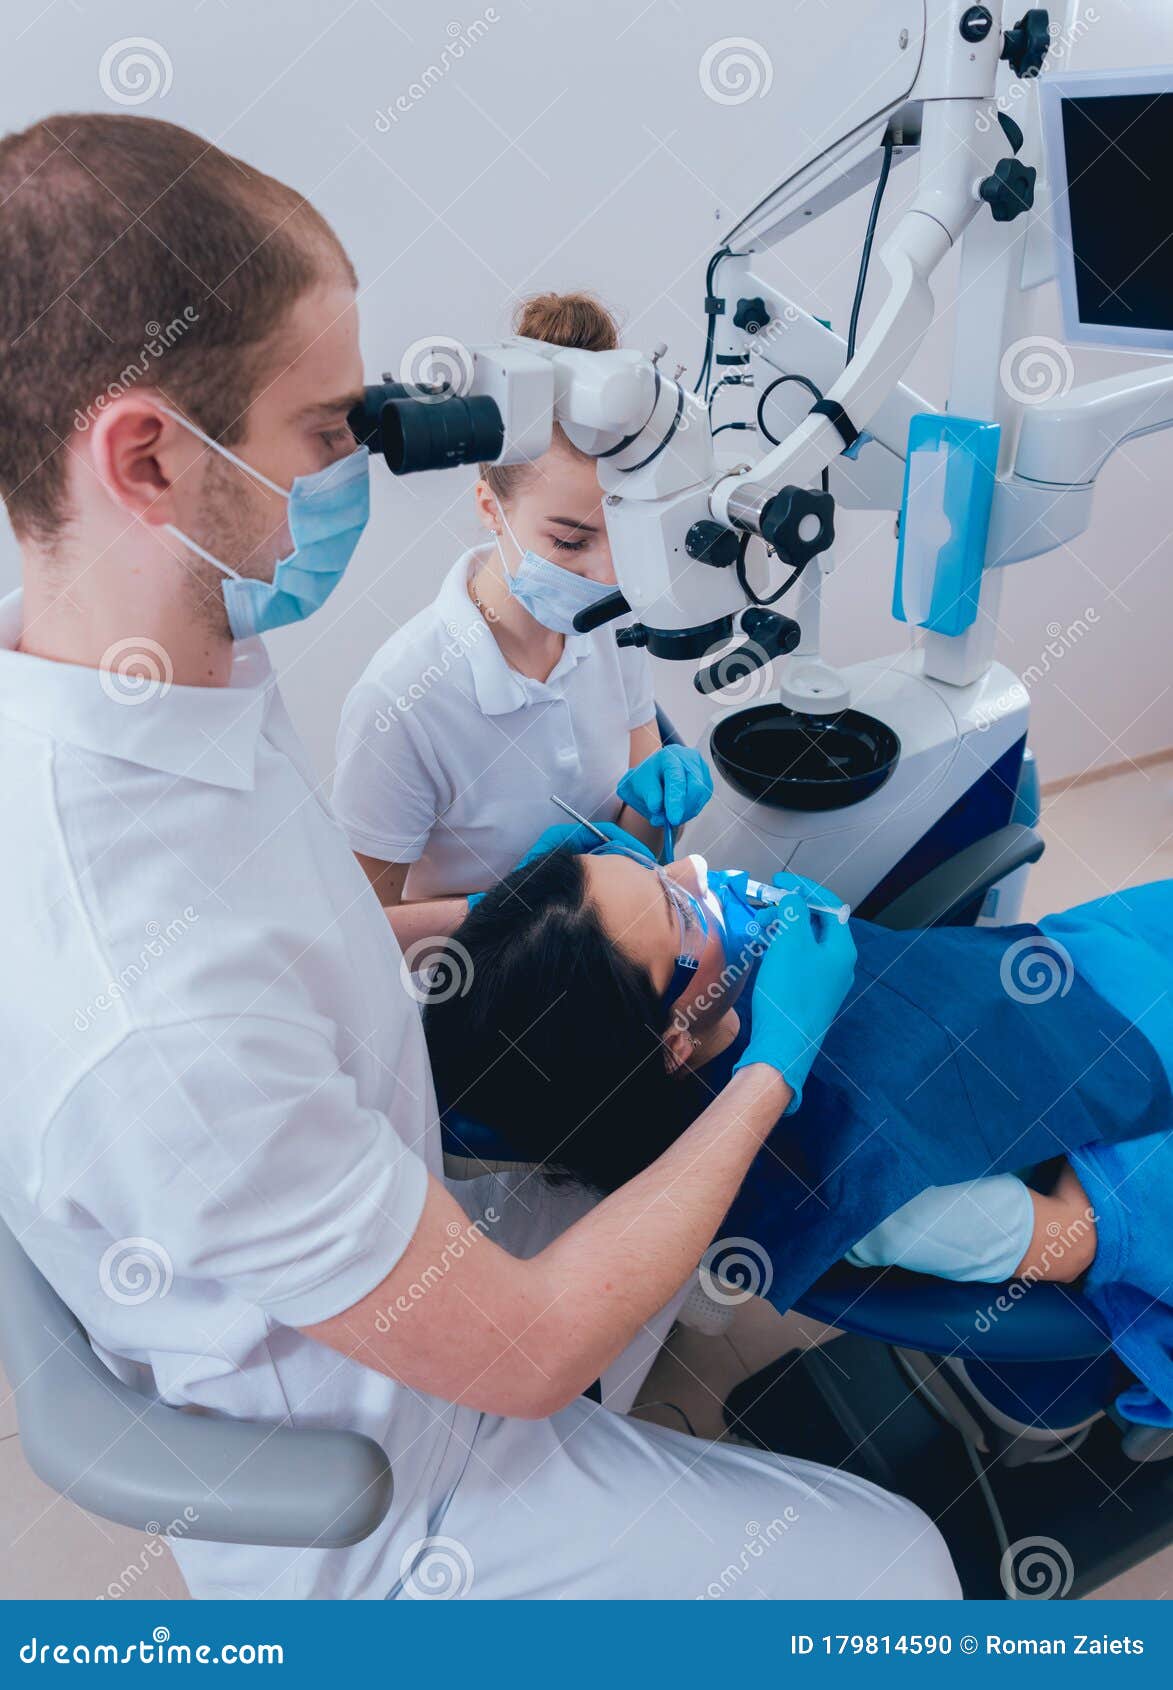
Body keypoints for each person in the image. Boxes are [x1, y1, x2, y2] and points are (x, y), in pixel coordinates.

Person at [0, 112, 959, 1601]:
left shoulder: (161, 688)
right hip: (392, 1491)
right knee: (901, 1572)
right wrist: (773, 1053)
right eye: (328, 431)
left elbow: (310, 944)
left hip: (387, 1207)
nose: (354, 466)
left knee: (678, 1155)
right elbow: (516, 1352)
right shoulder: (154, 997)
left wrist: (582, 898)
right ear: (149, 462)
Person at [423, 846, 1173, 1428]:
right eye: (680, 909)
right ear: (670, 1044)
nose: (696, 877)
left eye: (654, 871)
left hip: (1076, 964)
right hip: (1133, 1085)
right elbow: (1074, 1235)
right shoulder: (847, 1171)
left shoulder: (721, 987)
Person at [332, 290, 712, 954]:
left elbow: (632, 850)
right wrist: (516, 910)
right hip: (483, 996)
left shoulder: (610, 627)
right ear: (488, 506)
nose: (605, 578)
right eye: (569, 542)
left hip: (607, 965)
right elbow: (360, 935)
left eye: (624, 542)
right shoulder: (400, 702)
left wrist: (652, 810)